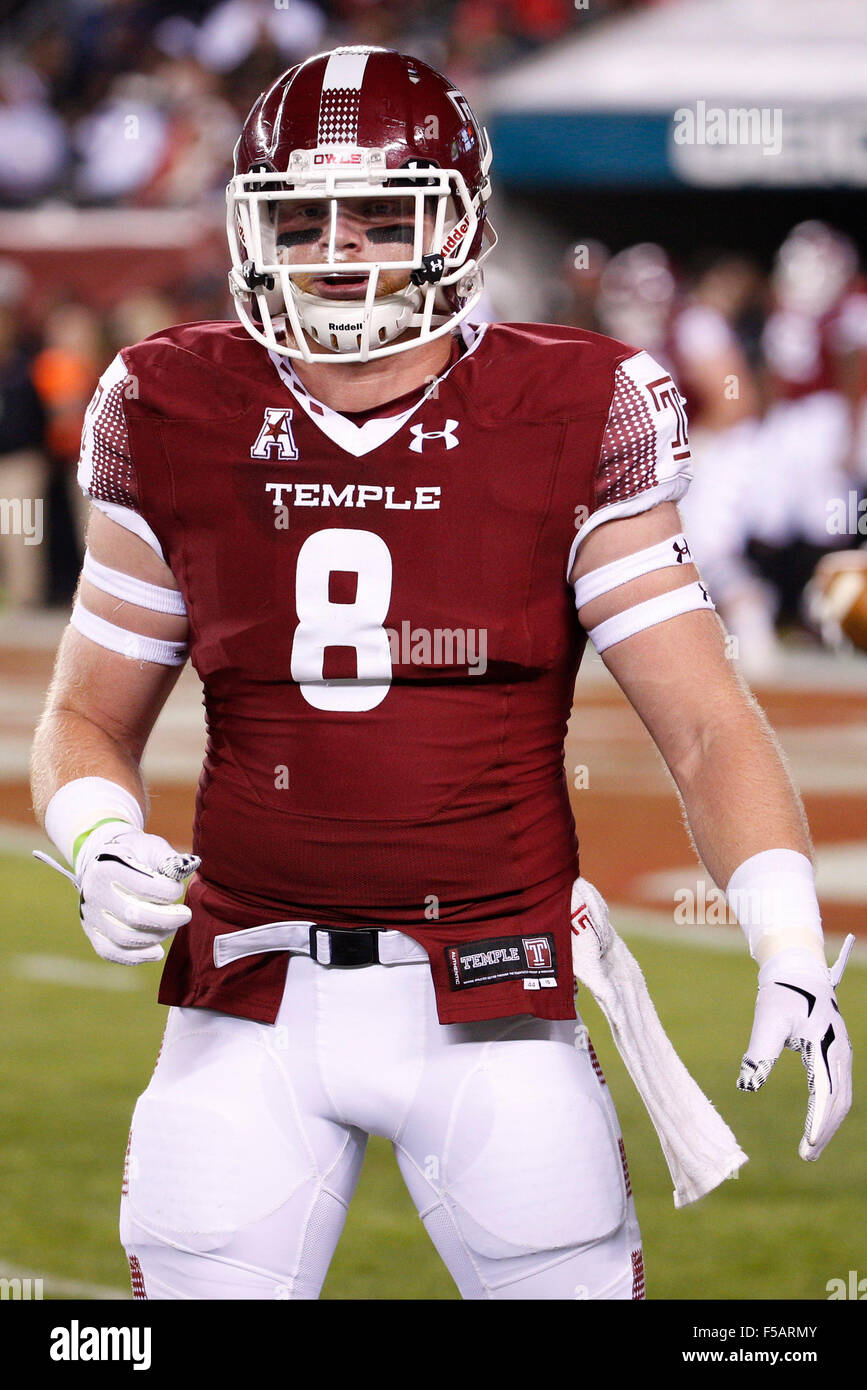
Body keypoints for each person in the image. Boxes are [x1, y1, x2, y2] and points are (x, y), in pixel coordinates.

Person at [31, 45, 853, 1301]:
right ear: (254, 232)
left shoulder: (575, 402)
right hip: (244, 1000)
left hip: (495, 1002)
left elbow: (701, 725)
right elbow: (87, 713)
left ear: (460, 224)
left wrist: (788, 935)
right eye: (302, 220)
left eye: (382, 214)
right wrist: (94, 835)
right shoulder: (168, 400)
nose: (341, 251)